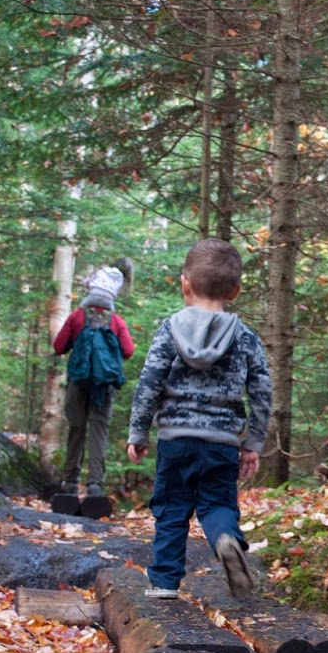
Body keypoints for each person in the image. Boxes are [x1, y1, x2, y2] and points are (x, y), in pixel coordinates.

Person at [126, 238, 271, 600]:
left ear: (184, 284)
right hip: (222, 442)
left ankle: (163, 583)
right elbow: (262, 391)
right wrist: (253, 443)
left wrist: (138, 431)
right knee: (218, 504)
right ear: (235, 291)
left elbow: (150, 382)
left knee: (172, 507)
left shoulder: (169, 329)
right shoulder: (245, 337)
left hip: (176, 438)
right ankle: (225, 539)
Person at [53, 266, 136, 500]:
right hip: (105, 386)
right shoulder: (116, 320)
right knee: (99, 432)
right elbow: (128, 351)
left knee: (76, 429)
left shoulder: (77, 316)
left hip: (78, 383)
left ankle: (70, 483)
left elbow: (59, 346)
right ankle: (95, 486)